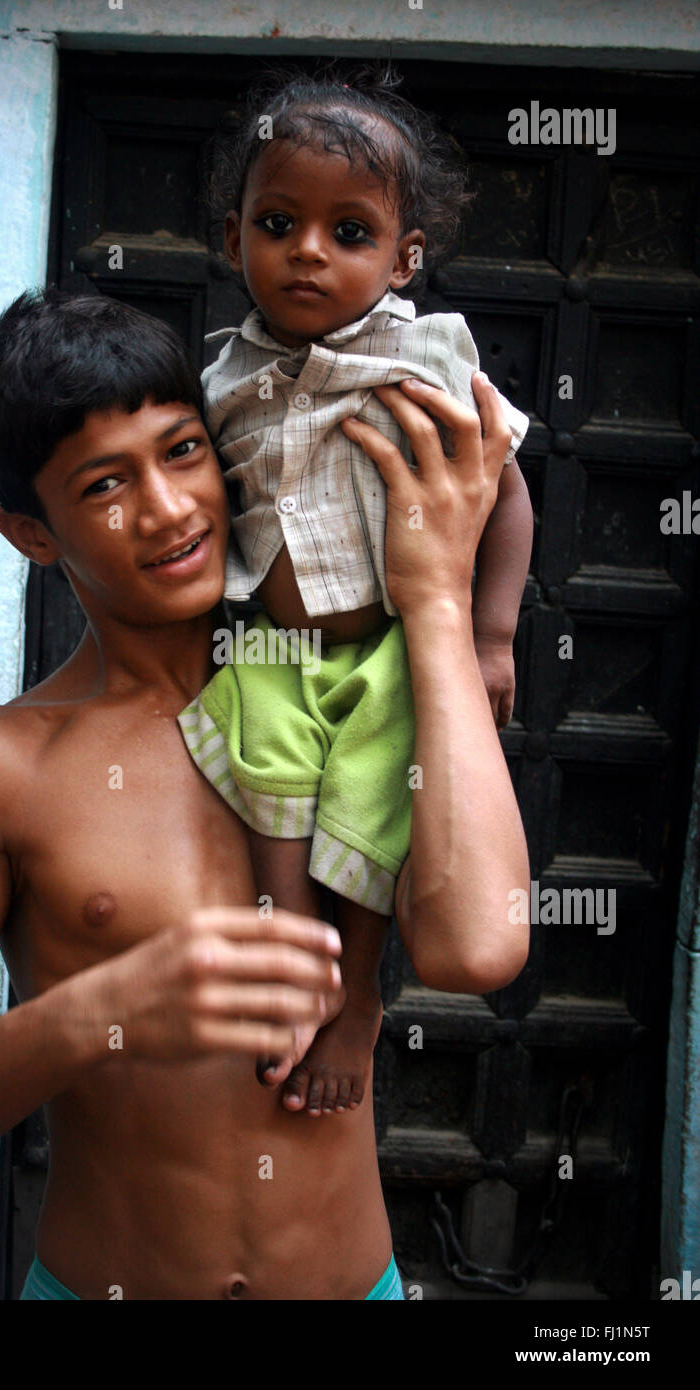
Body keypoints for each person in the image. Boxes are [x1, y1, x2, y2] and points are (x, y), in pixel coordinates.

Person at [0, 289, 529, 1300]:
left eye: (180, 452)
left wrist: (433, 604)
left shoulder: (350, 695)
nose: (167, 510)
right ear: (31, 533)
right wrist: (109, 1005)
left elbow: (479, 948)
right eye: (105, 485)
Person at [177, 65, 534, 1114]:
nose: (306, 252)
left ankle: (359, 993)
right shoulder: (217, 380)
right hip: (276, 647)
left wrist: (494, 637)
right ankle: (293, 961)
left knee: (378, 808)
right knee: (260, 756)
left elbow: (506, 496)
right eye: (277, 222)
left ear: (401, 255)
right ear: (233, 233)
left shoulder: (426, 360)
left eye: (349, 232)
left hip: (391, 650)